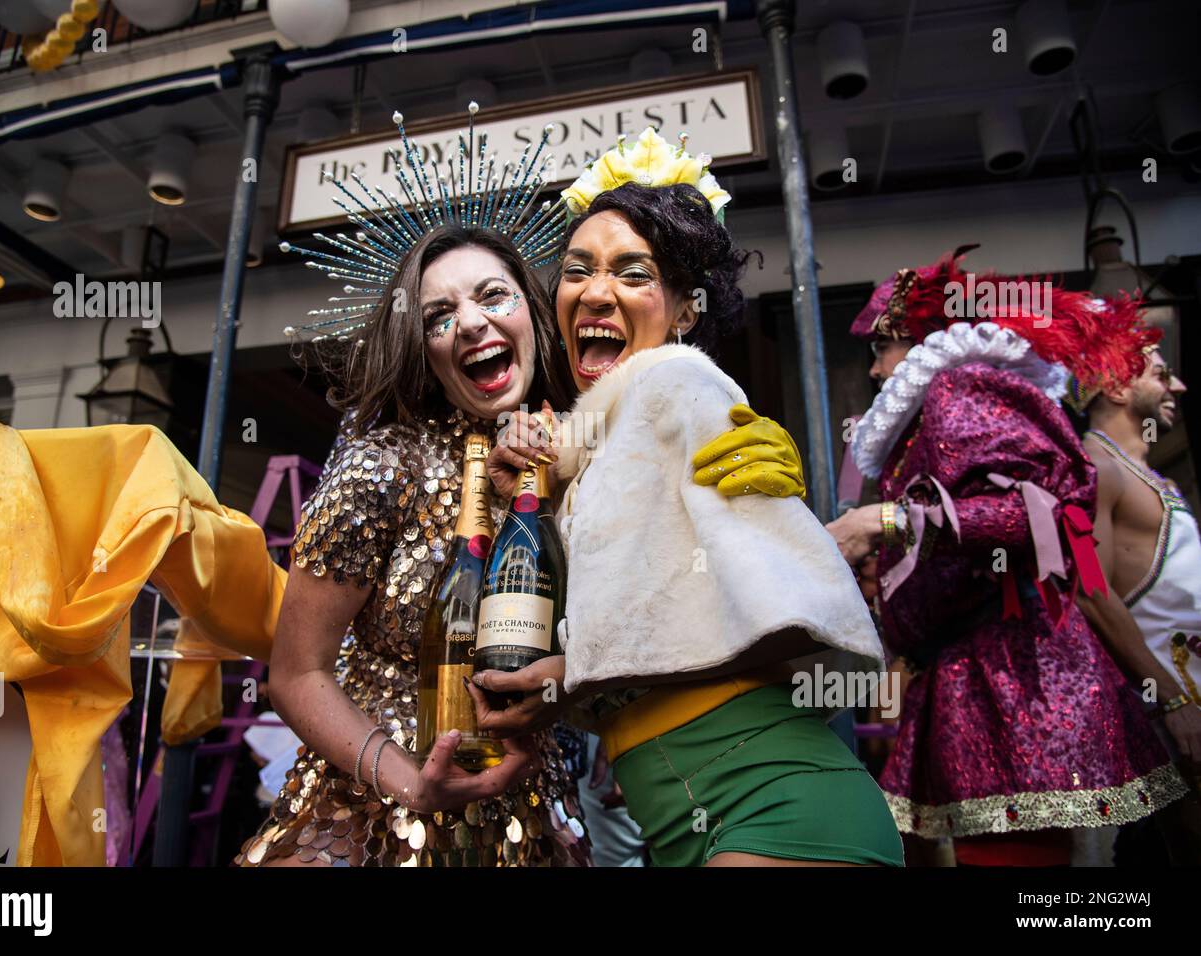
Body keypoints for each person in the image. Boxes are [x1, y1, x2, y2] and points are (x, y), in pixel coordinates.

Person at [236, 114, 803, 867]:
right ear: (426, 346)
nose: (469, 323)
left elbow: (672, 632)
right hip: (368, 827)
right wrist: (409, 784)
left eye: (492, 296)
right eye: (440, 315)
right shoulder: (381, 466)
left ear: (533, 317)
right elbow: (295, 672)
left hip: (529, 823)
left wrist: (754, 493)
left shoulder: (592, 464)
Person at [472, 128, 904, 868]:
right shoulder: (600, 450)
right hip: (682, 821)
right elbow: (655, 614)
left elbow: (794, 625)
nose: (596, 290)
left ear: (682, 311)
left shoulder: (676, 384)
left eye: (632, 273)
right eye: (577, 270)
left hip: (776, 808)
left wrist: (574, 681)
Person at [826, 247, 1187, 866]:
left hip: (1013, 680)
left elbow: (1032, 515)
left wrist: (880, 521)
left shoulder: (958, 388)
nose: (879, 372)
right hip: (980, 678)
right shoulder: (935, 407)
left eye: (883, 349)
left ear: (920, 341)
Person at [1069, 346, 1201, 862]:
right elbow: (1088, 589)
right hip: (1166, 711)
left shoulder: (1143, 473)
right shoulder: (1098, 468)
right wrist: (1171, 700)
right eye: (1161, 375)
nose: (1178, 388)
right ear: (1119, 389)